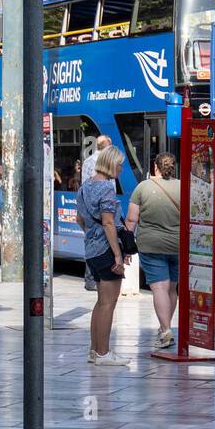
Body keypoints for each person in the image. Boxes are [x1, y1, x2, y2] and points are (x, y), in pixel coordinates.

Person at [77, 146, 130, 367]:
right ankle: (103, 352)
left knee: (100, 303)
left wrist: (92, 234)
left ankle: (93, 349)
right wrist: (118, 254)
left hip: (91, 250)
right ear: (111, 164)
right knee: (109, 303)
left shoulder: (84, 187)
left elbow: (80, 219)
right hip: (107, 250)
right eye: (119, 165)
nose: (121, 170)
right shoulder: (107, 189)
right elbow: (109, 222)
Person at [125, 152, 182, 349]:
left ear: (155, 167)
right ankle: (165, 326)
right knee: (172, 288)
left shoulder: (143, 187)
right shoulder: (183, 187)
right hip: (178, 245)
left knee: (159, 288)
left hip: (151, 245)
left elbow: (132, 219)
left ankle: (165, 330)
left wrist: (125, 246)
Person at [80, 136, 113, 292]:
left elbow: (84, 185)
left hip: (89, 209)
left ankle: (90, 279)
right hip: (102, 209)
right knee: (104, 241)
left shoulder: (87, 161)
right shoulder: (106, 163)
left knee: (91, 240)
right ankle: (101, 277)